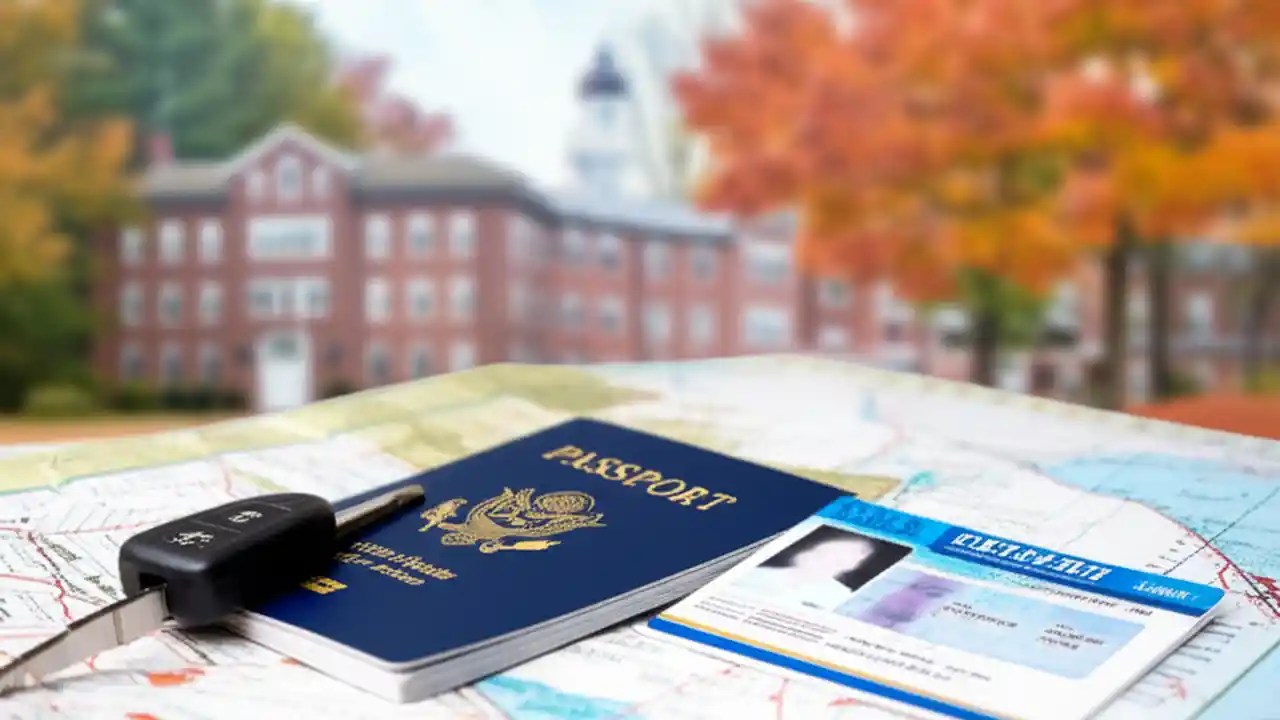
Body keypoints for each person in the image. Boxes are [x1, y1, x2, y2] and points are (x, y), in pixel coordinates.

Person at [736, 534, 881, 610]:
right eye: (825, 554)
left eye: (839, 560)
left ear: (852, 566)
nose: (826, 563)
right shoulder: (753, 574)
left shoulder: (842, 598)